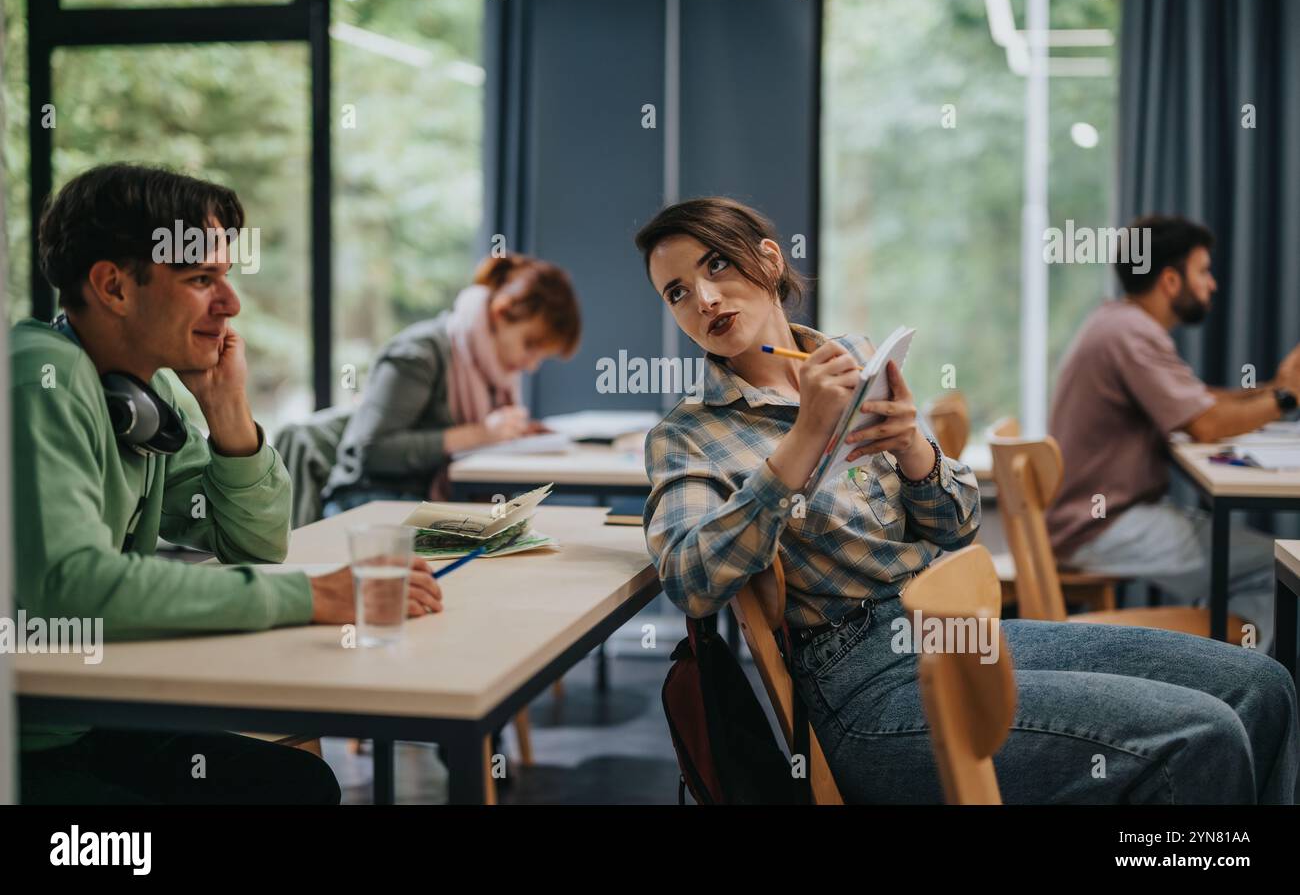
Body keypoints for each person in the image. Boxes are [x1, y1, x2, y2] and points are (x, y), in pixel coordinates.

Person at [636, 196, 1297, 803]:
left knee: (1265, 687)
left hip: (954, 632)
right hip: (862, 689)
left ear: (770, 259)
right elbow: (691, 582)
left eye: (717, 264)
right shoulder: (689, 434)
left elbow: (958, 527)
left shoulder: (856, 359)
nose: (704, 297)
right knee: (1202, 735)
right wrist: (802, 442)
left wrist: (916, 453)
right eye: (676, 292)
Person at [12, 163, 443, 804]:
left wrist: (228, 414)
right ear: (113, 287)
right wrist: (311, 598)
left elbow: (255, 543)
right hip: (26, 744)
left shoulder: (148, 388)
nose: (231, 303)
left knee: (296, 786)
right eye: (200, 279)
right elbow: (75, 589)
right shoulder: (38, 380)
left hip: (89, 715)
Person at [1047, 215, 1300, 651]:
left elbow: (1199, 400)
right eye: (1203, 271)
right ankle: (1237, 691)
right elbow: (1205, 425)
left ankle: (1214, 672)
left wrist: (1276, 390)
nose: (1213, 285)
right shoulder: (1132, 333)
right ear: (1169, 280)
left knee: (1248, 568)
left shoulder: (1118, 322)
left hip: (1092, 520)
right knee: (1277, 567)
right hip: (1099, 527)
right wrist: (1288, 400)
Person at [321, 254, 580, 514]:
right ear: (500, 312)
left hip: (430, 506)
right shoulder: (418, 355)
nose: (531, 365)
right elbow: (370, 451)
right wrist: (480, 434)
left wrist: (511, 434)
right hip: (370, 504)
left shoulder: (491, 372)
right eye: (530, 346)